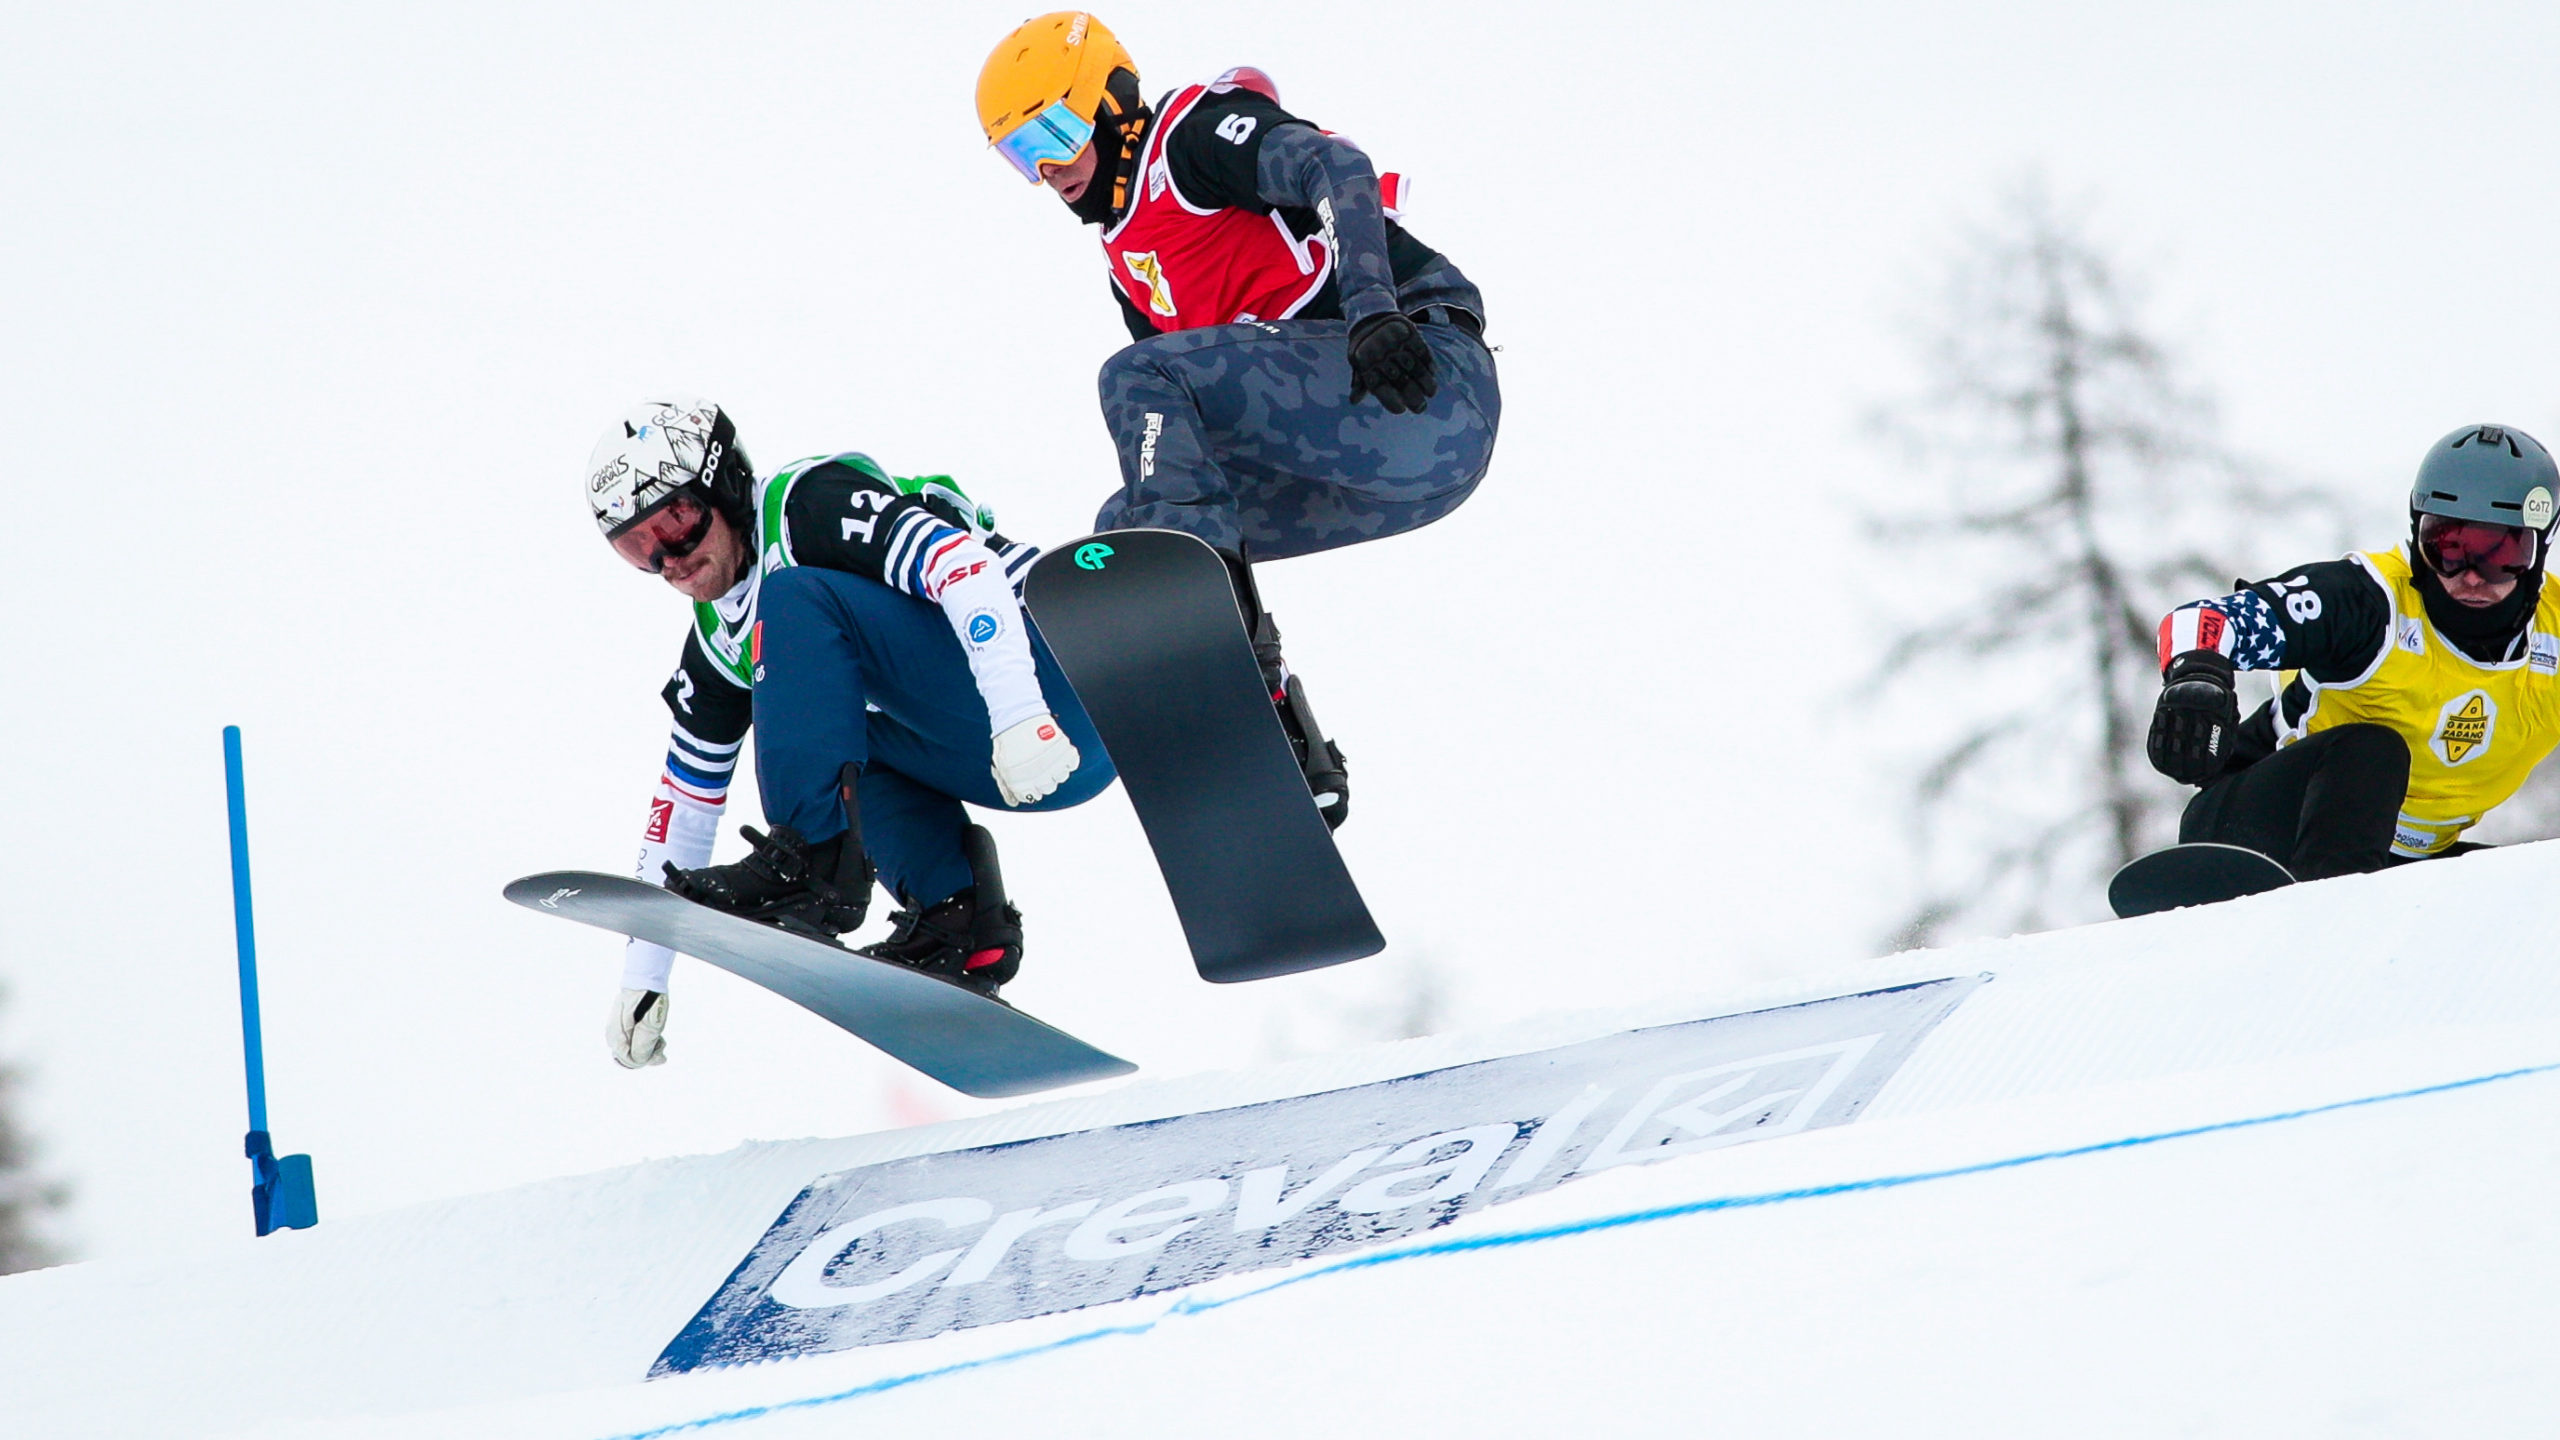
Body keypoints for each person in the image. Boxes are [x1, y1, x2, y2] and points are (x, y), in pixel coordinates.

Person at [973, 12, 1501, 826]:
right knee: (1129, 532)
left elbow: (1339, 166)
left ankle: (1215, 651)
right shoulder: (1132, 263)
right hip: (1381, 464)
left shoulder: (1189, 137)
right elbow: (1190, 457)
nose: (1045, 168)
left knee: (1138, 384)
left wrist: (1372, 310)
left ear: (1110, 103)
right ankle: (1281, 734)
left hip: (1422, 374)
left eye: (1053, 130)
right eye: (1019, 154)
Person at [583, 398, 1114, 1068]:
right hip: (1011, 748)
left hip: (1061, 674)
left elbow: (967, 569)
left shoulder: (803, 506)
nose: (669, 559)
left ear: (723, 485)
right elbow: (685, 800)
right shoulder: (718, 642)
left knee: (794, 598)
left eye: (676, 522)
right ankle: (958, 921)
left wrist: (1018, 714)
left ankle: (811, 863)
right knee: (836, 735)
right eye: (638, 548)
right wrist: (645, 975)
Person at [2147, 423, 2560, 878]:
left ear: (2539, 550)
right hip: (2264, 825)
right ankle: (2331, 920)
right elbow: (2204, 620)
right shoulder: (2369, 604)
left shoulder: (2554, 637)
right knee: (2374, 750)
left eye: (2501, 554)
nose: (2472, 575)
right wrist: (2198, 677)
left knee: (2533, 882)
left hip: (2403, 860)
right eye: (2447, 546)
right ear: (2417, 534)